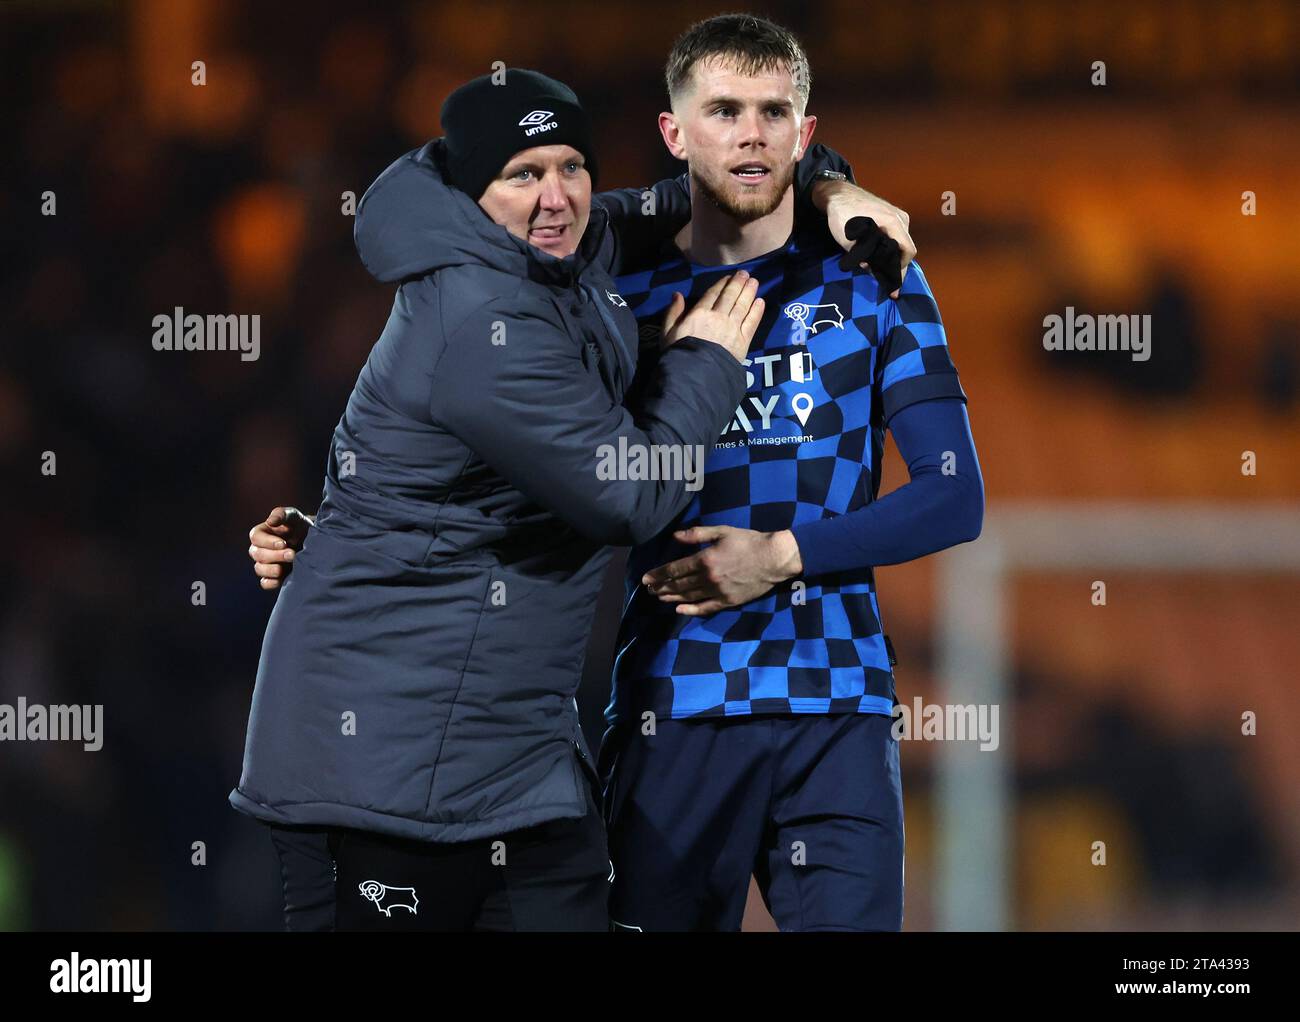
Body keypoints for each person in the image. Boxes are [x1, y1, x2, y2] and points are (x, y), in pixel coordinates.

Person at [245, 34, 930, 931]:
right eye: (525, 173)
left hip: (516, 766)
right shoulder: (480, 316)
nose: (559, 195)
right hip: (384, 771)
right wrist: (703, 364)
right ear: (470, 192)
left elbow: (683, 195)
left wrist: (827, 181)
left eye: (571, 165)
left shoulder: (554, 256)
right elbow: (626, 494)